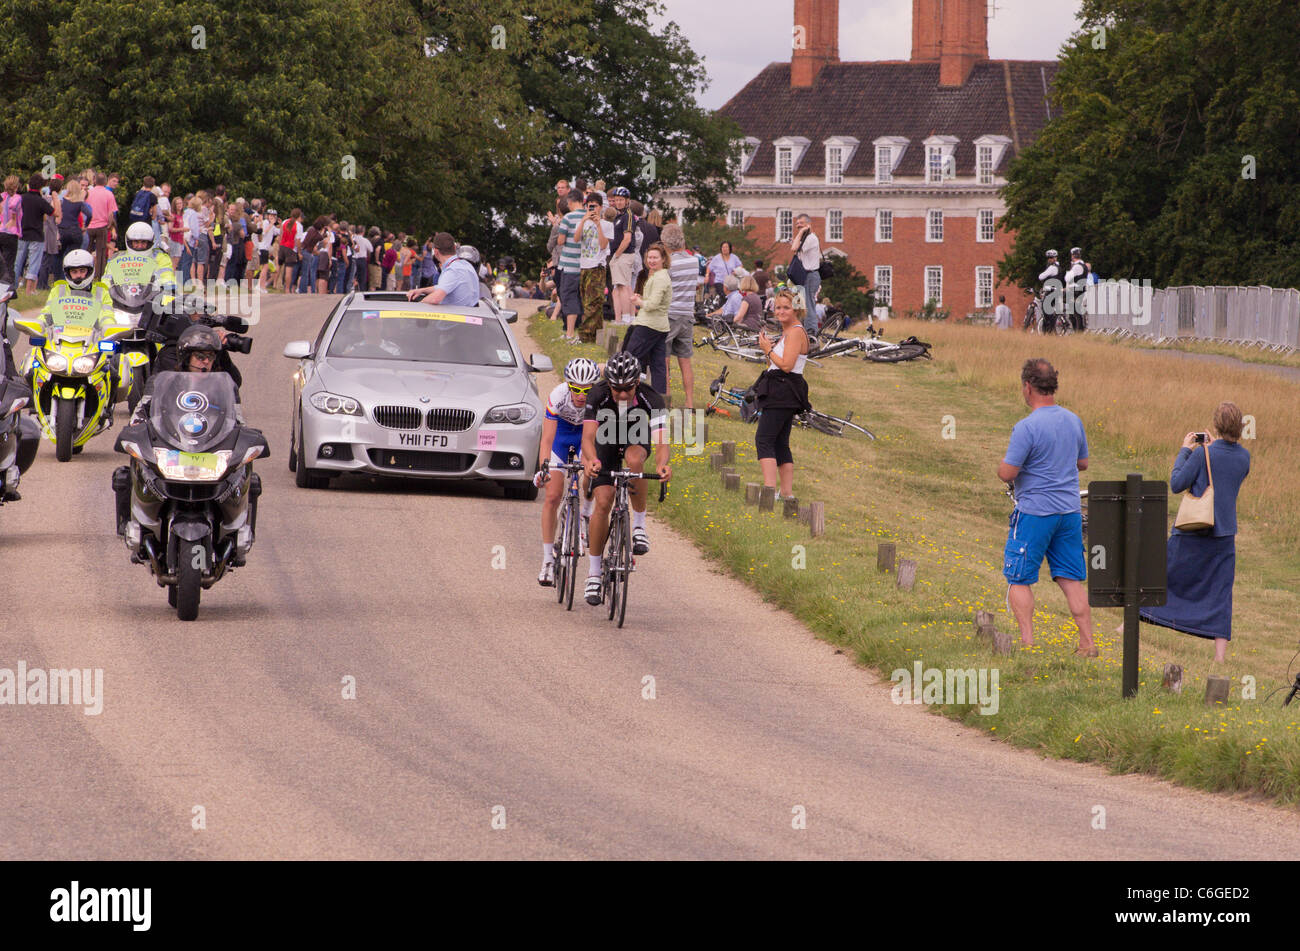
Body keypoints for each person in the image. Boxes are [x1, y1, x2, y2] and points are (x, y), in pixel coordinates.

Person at [997, 358, 1096, 655]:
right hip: (1069, 511)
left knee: (1019, 576)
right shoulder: (1072, 419)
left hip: (1035, 511)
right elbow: (1083, 463)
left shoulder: (1026, 427)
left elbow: (1008, 473)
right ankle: (1087, 643)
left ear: (1028, 387)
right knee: (1071, 578)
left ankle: (1028, 644)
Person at [1137, 404, 1251, 663]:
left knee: (1164, 577)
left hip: (1194, 531)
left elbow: (1177, 483)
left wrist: (1185, 451)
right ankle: (1219, 655)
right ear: (1240, 427)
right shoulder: (1244, 457)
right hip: (1224, 536)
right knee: (1220, 591)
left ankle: (1133, 623)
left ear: (1216, 426)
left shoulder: (1202, 454)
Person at [581, 351, 671, 606]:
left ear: (637, 383)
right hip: (605, 441)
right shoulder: (597, 394)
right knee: (603, 501)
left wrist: (663, 465)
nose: (621, 394)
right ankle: (594, 574)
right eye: (616, 389)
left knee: (634, 461)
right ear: (608, 383)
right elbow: (588, 438)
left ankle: (639, 527)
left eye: (627, 389)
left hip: (635, 434)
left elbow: (662, 442)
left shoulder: (651, 397)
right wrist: (591, 461)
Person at [534, 357, 601, 586]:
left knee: (590, 471)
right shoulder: (558, 395)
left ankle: (585, 513)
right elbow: (547, 439)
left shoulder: (600, 398)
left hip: (585, 435)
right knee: (552, 496)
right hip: (561, 436)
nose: (581, 395)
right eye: (576, 389)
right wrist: (545, 467)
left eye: (587, 390)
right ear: (568, 385)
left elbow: (593, 440)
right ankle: (547, 562)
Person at [753, 290, 810, 501]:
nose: (781, 311)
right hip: (782, 389)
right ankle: (786, 493)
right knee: (779, 442)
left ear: (796, 309)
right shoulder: (788, 332)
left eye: (786, 307)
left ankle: (769, 491)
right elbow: (778, 363)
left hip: (783, 390)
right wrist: (768, 351)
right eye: (778, 307)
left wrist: (768, 349)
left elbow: (787, 365)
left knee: (764, 439)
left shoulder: (795, 331)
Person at [623, 243, 672, 395]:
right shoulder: (658, 275)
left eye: (655, 257)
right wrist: (642, 298)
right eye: (649, 257)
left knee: (629, 359)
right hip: (659, 326)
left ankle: (624, 392)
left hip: (648, 325)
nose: (651, 260)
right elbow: (654, 300)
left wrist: (640, 302)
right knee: (658, 365)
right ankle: (660, 399)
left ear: (663, 259)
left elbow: (652, 305)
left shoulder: (660, 278)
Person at [661, 224, 698, 409]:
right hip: (687, 315)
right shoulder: (694, 261)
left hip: (670, 314)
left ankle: (666, 400)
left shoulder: (669, 264)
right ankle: (689, 402)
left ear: (666, 243)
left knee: (664, 361)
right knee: (685, 361)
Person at [405, 232, 479, 306]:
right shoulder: (465, 265)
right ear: (454, 247)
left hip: (454, 316)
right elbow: (445, 286)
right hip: (469, 314)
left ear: (436, 252)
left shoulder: (453, 270)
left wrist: (416, 307)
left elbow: (435, 299)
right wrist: (421, 290)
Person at [576, 192, 611, 343]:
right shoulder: (583, 222)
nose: (591, 209)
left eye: (594, 206)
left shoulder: (607, 225)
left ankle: (584, 336)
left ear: (601, 207)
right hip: (584, 265)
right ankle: (596, 336)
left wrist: (598, 224)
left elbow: (603, 245)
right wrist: (584, 220)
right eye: (589, 206)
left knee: (593, 302)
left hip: (597, 266)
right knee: (588, 303)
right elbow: (576, 239)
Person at [15, 175, 57, 295]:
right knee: (34, 263)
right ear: (41, 187)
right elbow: (55, 213)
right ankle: (30, 289)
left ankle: (13, 286)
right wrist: (55, 197)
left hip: (22, 233)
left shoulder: (21, 198)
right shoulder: (40, 201)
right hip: (36, 235)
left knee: (18, 262)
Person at [553, 191, 586, 343]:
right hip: (584, 265)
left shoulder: (568, 217)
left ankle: (570, 333)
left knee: (569, 297)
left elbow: (560, 241)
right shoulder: (589, 216)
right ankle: (581, 332)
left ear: (572, 202)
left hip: (569, 264)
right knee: (581, 298)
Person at [607, 187, 640, 324]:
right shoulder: (619, 216)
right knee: (622, 287)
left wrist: (616, 255)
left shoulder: (628, 215)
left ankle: (626, 317)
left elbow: (627, 239)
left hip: (624, 255)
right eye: (617, 200)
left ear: (627, 201)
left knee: (623, 286)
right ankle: (628, 317)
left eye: (621, 200)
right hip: (620, 254)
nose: (618, 202)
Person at [789, 215, 821, 334]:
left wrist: (801, 231)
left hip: (810, 275)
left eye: (801, 223)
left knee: (808, 304)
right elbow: (795, 247)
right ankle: (800, 330)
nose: (798, 225)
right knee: (799, 304)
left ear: (808, 224)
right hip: (803, 275)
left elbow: (794, 248)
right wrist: (800, 234)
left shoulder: (811, 238)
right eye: (797, 223)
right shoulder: (804, 239)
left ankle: (811, 332)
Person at [1064, 247, 1090, 331]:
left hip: (1076, 292)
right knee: (1076, 312)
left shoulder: (1076, 266)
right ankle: (1079, 330)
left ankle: (1078, 331)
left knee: (1074, 313)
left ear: (1072, 256)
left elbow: (1067, 278)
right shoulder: (1083, 265)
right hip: (1081, 290)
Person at [1037, 250, 1063, 333]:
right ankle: (1051, 327)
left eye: (1051, 257)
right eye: (1048, 258)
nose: (1049, 259)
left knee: (1046, 309)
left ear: (1055, 258)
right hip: (1057, 291)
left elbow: (1041, 277)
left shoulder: (1052, 268)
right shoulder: (1058, 267)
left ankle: (1050, 328)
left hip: (1052, 292)